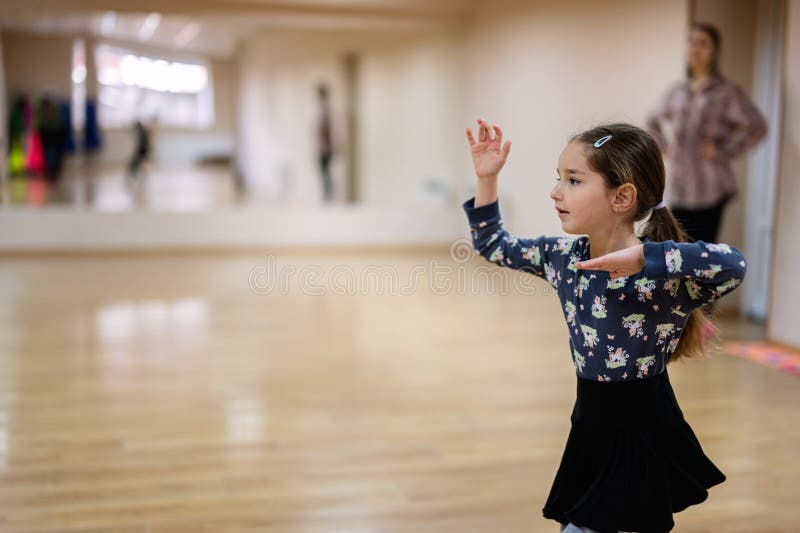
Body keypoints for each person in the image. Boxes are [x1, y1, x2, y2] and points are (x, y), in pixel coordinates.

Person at [462, 120, 747, 533]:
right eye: (558, 178)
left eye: (573, 181)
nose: (555, 192)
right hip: (590, 425)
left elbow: (732, 264)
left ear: (622, 197)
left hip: (644, 430)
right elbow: (493, 245)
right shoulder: (563, 257)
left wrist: (648, 258)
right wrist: (486, 179)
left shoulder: (664, 276)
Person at [646, 23, 766, 244]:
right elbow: (651, 120)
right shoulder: (677, 91)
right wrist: (665, 146)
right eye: (692, 43)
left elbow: (757, 126)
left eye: (702, 44)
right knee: (680, 249)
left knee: (703, 254)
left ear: (714, 51)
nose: (695, 49)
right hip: (680, 186)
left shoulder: (726, 92)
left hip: (711, 187)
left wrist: (723, 150)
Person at [316, 83, 334, 203]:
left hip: (325, 147)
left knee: (325, 171)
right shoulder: (323, 109)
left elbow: (325, 130)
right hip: (324, 145)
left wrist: (325, 146)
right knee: (324, 171)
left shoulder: (325, 110)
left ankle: (327, 196)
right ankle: (326, 195)